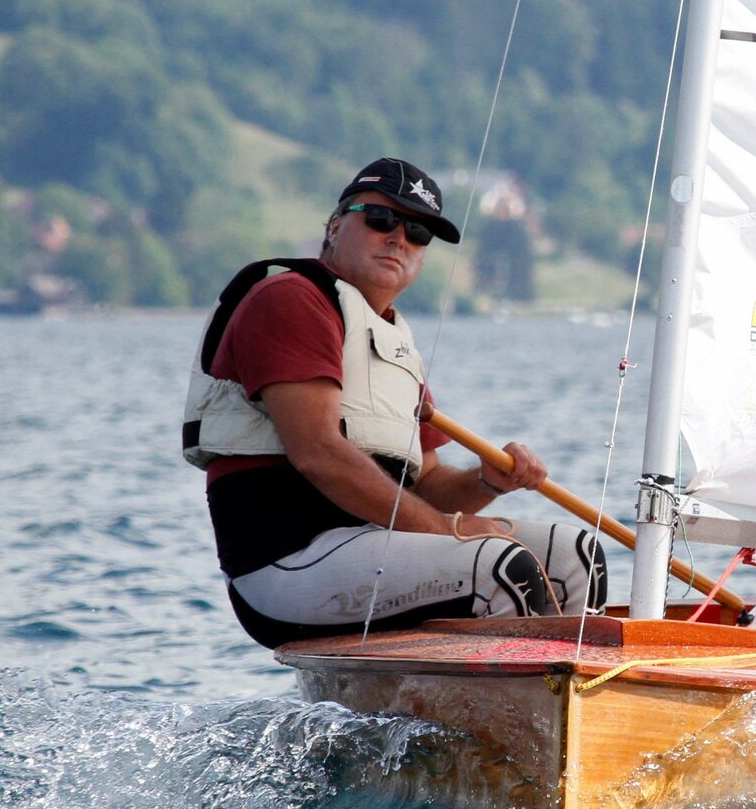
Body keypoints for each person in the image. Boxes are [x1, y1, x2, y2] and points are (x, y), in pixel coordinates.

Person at [182, 157, 607, 647]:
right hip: (285, 560)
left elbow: (426, 486)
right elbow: (318, 453)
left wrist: (488, 481)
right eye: (381, 219)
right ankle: (510, 693)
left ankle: (568, 692)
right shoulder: (291, 299)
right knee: (502, 567)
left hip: (376, 546)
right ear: (335, 226)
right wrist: (449, 532)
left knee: (575, 555)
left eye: (418, 232)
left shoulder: (393, 341)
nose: (399, 238)